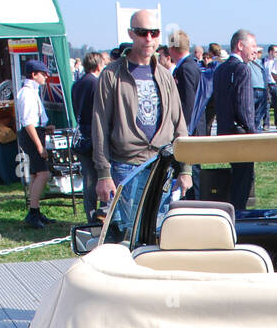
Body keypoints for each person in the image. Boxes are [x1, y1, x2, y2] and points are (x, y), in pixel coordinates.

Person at [92, 11, 193, 216]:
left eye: (154, 33)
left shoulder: (165, 76)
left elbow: (179, 124)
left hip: (161, 166)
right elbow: (100, 125)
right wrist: (103, 174)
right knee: (129, 236)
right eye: (142, 32)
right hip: (125, 168)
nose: (148, 39)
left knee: (159, 231)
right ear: (131, 34)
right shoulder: (111, 74)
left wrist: (185, 169)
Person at [214, 29, 259, 210]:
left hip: (225, 133)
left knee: (236, 180)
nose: (255, 50)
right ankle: (238, 219)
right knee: (243, 183)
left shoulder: (220, 69)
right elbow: (244, 105)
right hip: (241, 136)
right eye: (253, 46)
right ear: (240, 45)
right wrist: (253, 132)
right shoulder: (242, 69)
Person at [16, 59, 52, 228]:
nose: (46, 76)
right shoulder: (27, 93)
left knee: (35, 175)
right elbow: (28, 123)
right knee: (43, 174)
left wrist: (45, 128)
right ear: (33, 75)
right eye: (43, 74)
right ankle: (33, 211)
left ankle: (35, 210)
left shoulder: (31, 92)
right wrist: (39, 146)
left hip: (36, 132)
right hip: (32, 135)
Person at [71, 51, 103, 222]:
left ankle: (90, 215)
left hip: (82, 134)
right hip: (95, 136)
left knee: (88, 178)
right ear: (98, 66)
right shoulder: (96, 83)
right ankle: (101, 214)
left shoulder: (76, 84)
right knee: (101, 176)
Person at [170, 30, 202, 127]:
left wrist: (180, 128)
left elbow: (188, 103)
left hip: (189, 127)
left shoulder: (185, 69)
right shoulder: (191, 65)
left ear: (171, 48)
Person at [249, 44, 269, 132]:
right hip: (252, 89)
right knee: (251, 113)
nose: (258, 54)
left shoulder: (261, 63)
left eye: (260, 52)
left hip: (262, 89)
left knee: (259, 113)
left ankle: (256, 128)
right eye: (257, 52)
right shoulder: (247, 62)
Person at [263, 44, 277, 128]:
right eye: (275, 52)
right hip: (267, 84)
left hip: (275, 84)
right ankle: (266, 123)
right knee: (266, 104)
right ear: (270, 52)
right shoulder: (264, 61)